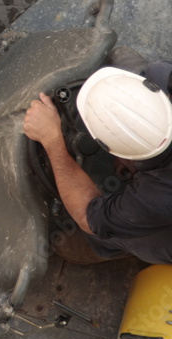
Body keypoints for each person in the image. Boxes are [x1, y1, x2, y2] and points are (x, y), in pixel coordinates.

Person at [24, 56, 172, 264]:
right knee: (154, 68)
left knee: (145, 239)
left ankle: (101, 247)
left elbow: (88, 216)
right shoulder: (163, 74)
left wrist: (52, 141)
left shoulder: (151, 200)